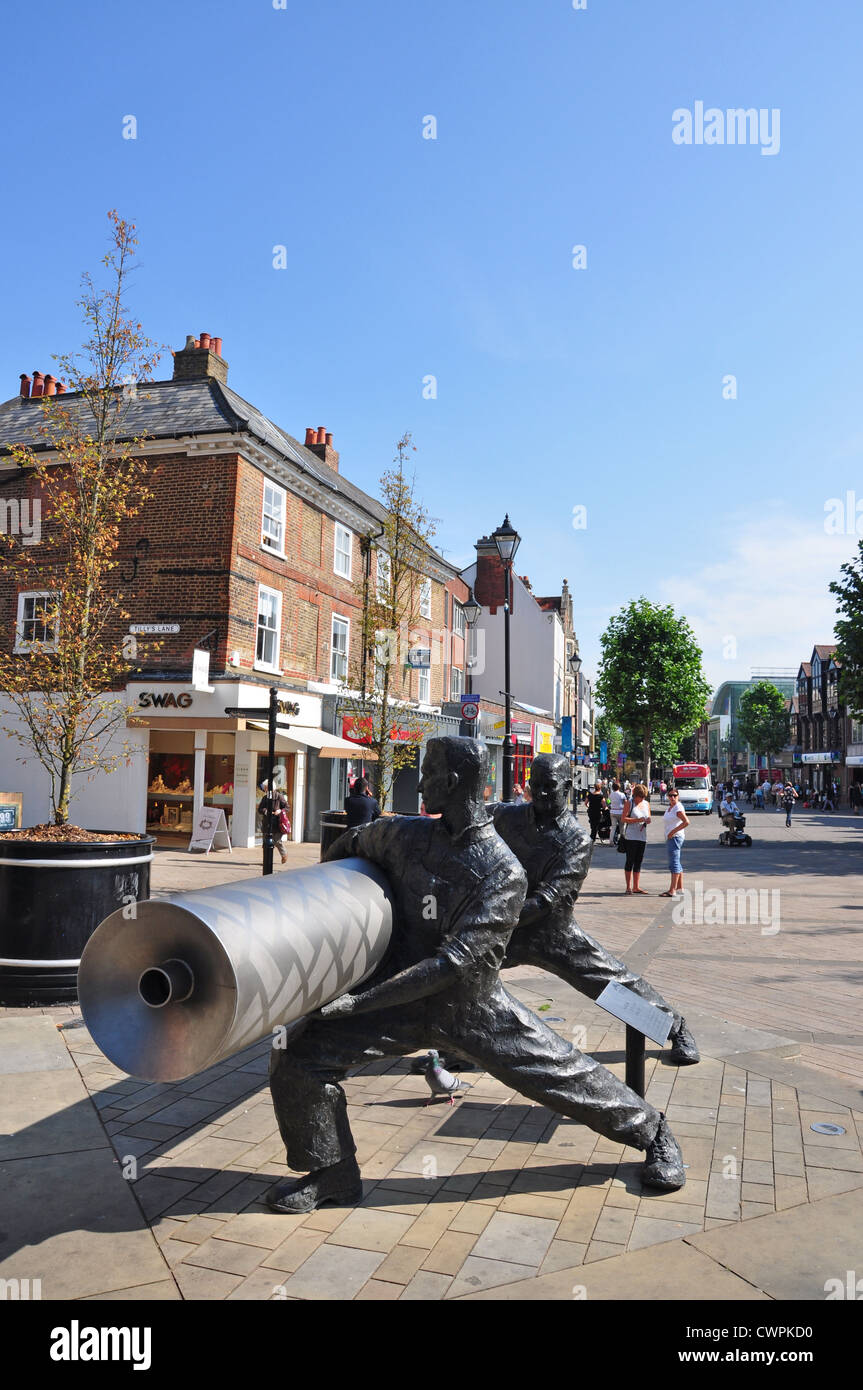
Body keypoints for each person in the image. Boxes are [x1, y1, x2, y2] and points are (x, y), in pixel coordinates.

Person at [266, 737, 686, 1213]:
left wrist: (357, 1003)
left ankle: (653, 1130)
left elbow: (452, 965)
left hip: (471, 1006)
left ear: (450, 783)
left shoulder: (503, 873)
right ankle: (333, 1173)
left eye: (427, 774)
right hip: (401, 1000)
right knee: (297, 1057)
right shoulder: (404, 834)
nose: (419, 782)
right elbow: (351, 843)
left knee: (560, 1073)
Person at [494, 755, 699, 1065]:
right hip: (509, 927)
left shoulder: (576, 840)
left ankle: (675, 1026)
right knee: (463, 972)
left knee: (611, 982)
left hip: (552, 931)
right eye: (536, 787)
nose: (541, 794)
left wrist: (490, 920)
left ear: (567, 787)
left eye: (549, 787)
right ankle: (454, 1047)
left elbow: (549, 900)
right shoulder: (506, 817)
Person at [622, 783, 650, 894]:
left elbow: (649, 816)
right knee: (630, 861)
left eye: (644, 797)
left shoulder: (646, 804)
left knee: (638, 862)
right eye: (640, 796)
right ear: (635, 795)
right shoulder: (630, 803)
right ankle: (628, 887)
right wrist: (637, 820)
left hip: (642, 837)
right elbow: (624, 819)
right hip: (631, 836)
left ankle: (636, 887)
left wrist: (647, 820)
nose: (642, 799)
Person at [660, 787, 689, 897]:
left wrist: (673, 831)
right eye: (670, 795)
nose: (672, 797)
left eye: (675, 795)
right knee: (676, 861)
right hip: (671, 837)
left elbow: (686, 822)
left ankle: (672, 890)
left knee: (674, 863)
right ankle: (679, 887)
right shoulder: (671, 807)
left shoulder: (678, 807)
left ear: (678, 796)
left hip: (675, 837)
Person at [257, 780, 290, 864]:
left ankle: (284, 854)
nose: (264, 789)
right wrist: (266, 811)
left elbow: (287, 808)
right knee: (266, 842)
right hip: (267, 823)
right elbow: (260, 809)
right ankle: (267, 860)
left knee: (277, 841)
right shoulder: (265, 797)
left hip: (278, 823)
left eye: (265, 787)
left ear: (269, 787)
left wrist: (280, 810)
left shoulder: (279, 797)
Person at [608, 779, 626, 845]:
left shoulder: (611, 794)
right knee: (622, 827)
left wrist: (610, 806)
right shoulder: (622, 794)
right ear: (619, 787)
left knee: (613, 827)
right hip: (620, 811)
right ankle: (622, 841)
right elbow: (625, 803)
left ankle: (611, 841)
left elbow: (608, 801)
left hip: (613, 811)